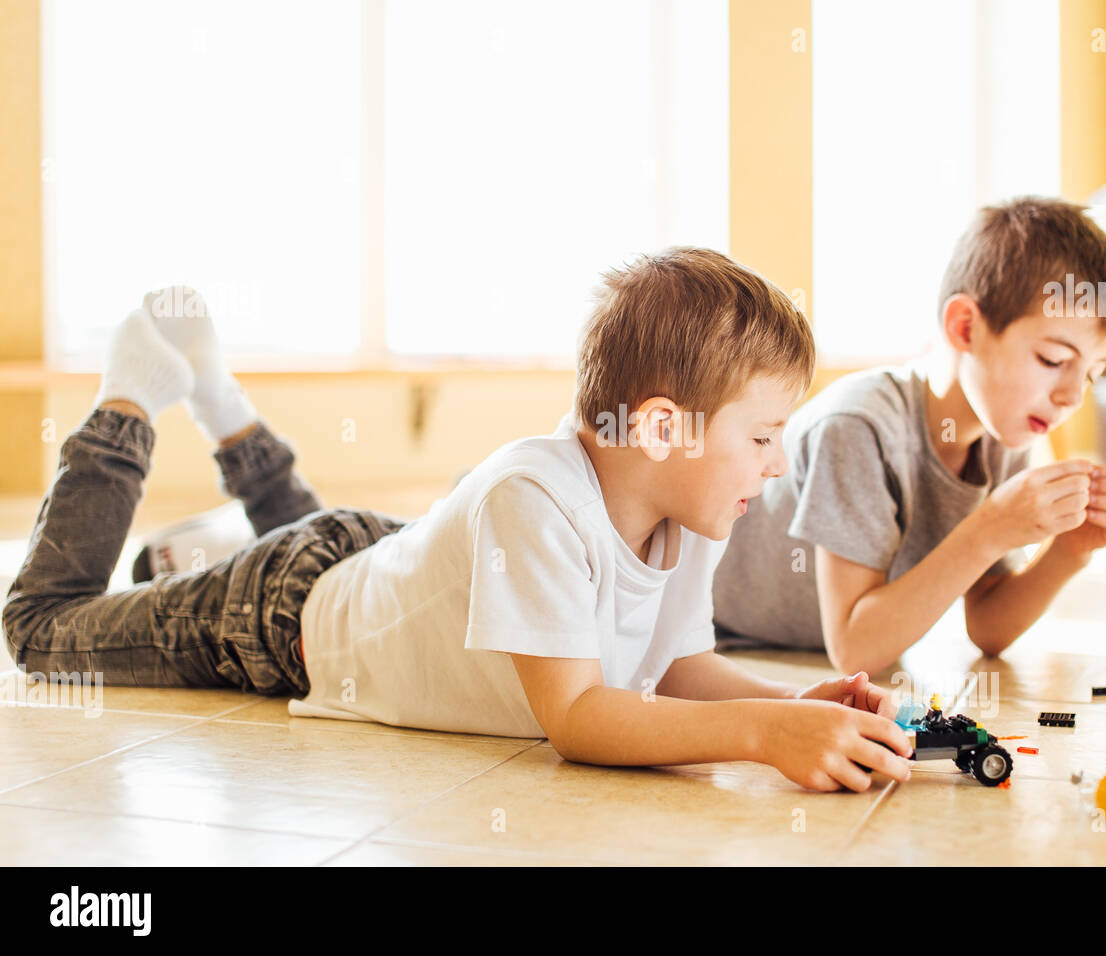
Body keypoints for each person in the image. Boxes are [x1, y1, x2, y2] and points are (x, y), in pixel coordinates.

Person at [3, 251, 913, 794]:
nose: (778, 461)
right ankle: (133, 396)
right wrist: (762, 735)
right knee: (45, 632)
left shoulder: (690, 508)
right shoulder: (533, 495)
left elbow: (671, 667)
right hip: (278, 619)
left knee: (349, 564)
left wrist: (795, 703)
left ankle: (222, 403)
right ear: (660, 427)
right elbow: (582, 720)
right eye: (761, 435)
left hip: (370, 564)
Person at [711, 197, 1106, 674]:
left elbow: (989, 628)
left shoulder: (1003, 434)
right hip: (716, 640)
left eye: (1092, 374)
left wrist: (1069, 549)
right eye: (1053, 361)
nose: (1072, 396)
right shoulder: (859, 427)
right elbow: (856, 650)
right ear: (965, 327)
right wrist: (991, 526)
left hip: (800, 656)